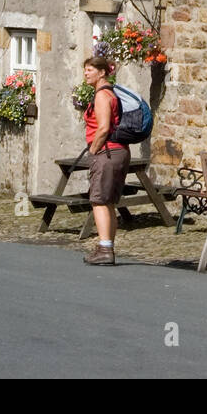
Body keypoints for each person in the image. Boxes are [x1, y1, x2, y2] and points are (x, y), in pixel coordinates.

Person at [81, 56, 128, 266]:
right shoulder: (110, 93)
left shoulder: (102, 96)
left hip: (107, 153)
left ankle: (105, 249)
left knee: (98, 200)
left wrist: (93, 149)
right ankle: (106, 247)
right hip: (117, 152)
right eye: (85, 70)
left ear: (102, 73)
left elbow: (103, 127)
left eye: (90, 69)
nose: (86, 73)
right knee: (108, 202)